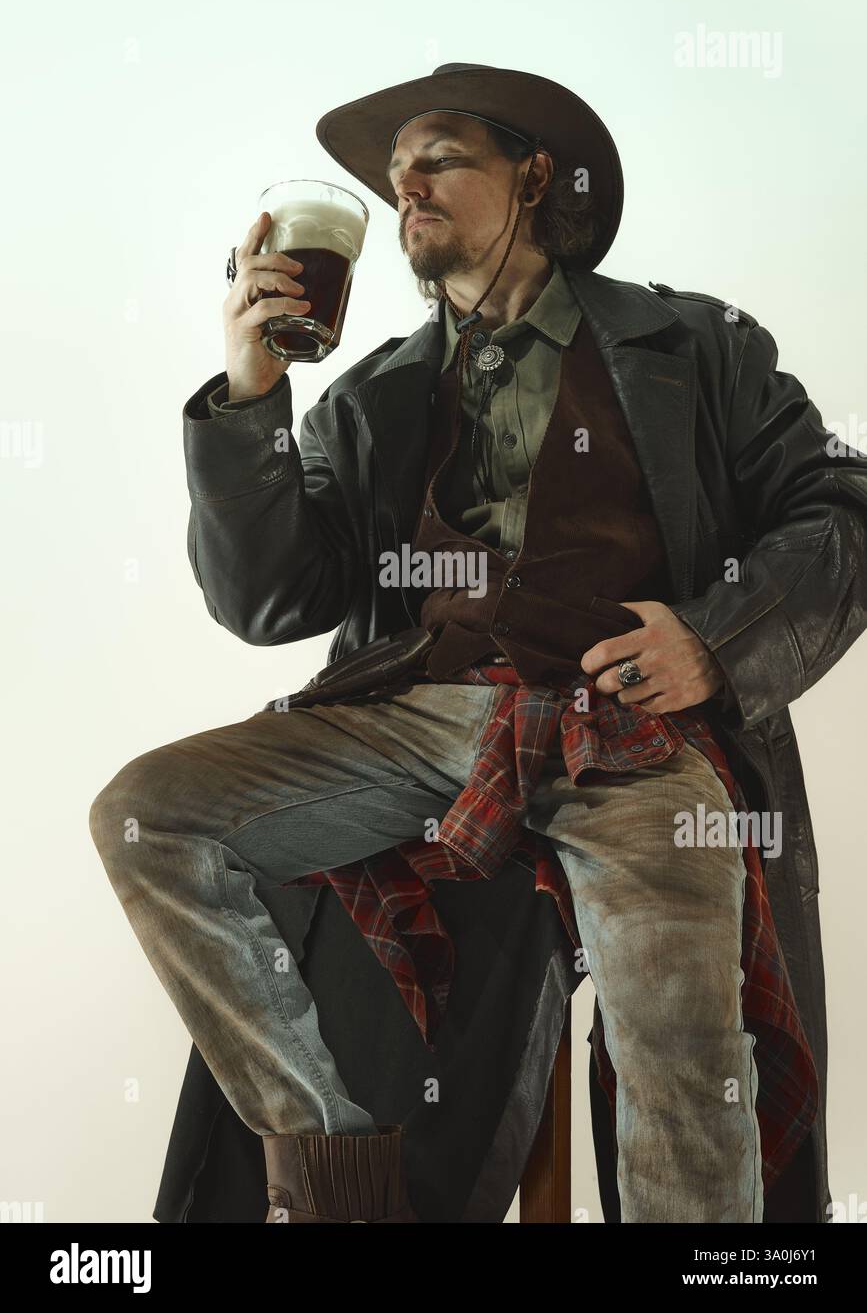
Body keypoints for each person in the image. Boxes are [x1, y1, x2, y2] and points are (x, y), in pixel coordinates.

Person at [89, 63, 867, 1224]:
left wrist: (714, 640)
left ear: (536, 176)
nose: (407, 194)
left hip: (631, 737)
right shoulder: (373, 399)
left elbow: (839, 505)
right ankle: (343, 1181)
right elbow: (267, 597)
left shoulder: (695, 344)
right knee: (148, 815)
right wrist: (253, 394)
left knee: (680, 1024)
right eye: (395, 180)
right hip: (417, 723)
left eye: (437, 161)